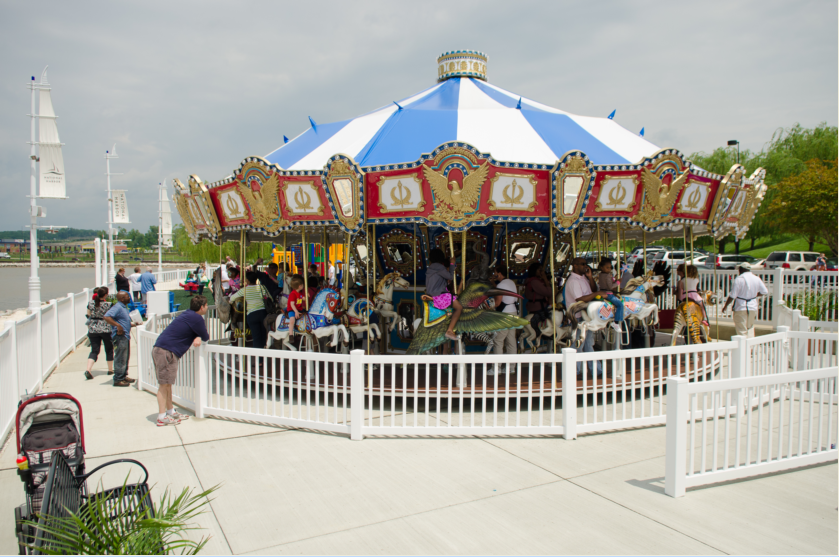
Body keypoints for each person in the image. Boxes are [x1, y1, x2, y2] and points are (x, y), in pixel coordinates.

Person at [152, 295, 210, 426]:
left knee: (167, 384)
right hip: (166, 352)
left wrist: (196, 336)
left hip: (163, 350)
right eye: (206, 305)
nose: (206, 308)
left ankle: (170, 412)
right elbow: (206, 336)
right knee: (163, 385)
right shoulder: (197, 318)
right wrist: (199, 336)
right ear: (201, 307)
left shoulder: (188, 314)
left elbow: (194, 331)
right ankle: (161, 417)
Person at [563, 257, 611, 377]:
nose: (585, 266)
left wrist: (590, 277)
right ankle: (574, 371)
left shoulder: (583, 278)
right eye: (582, 264)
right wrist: (597, 294)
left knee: (589, 343)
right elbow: (580, 298)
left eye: (586, 264)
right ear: (574, 265)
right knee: (578, 345)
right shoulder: (573, 281)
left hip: (586, 315)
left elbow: (593, 290)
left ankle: (596, 370)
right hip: (578, 316)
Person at [424, 248, 462, 341]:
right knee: (459, 308)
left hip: (431, 295)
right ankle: (449, 331)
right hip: (439, 296)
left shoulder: (431, 267)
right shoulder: (439, 266)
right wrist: (452, 263)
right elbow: (450, 276)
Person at [722, 262, 768, 338]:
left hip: (741, 307)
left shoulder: (739, 279)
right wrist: (754, 295)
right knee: (750, 328)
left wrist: (726, 305)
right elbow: (765, 291)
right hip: (752, 306)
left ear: (741, 269)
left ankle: (743, 348)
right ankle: (750, 348)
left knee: (741, 329)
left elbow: (733, 295)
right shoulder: (756, 278)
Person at [103, 291, 137, 387]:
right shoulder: (117, 307)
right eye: (127, 296)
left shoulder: (123, 307)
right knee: (120, 358)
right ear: (122, 298)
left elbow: (123, 321)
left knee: (125, 357)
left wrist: (134, 324)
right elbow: (106, 317)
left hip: (125, 336)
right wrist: (118, 326)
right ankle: (118, 379)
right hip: (119, 337)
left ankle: (123, 375)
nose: (129, 298)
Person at [229, 271, 270, 349]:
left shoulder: (244, 290)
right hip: (263, 313)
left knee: (256, 337)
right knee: (264, 336)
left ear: (247, 280)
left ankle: (259, 360)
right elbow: (269, 298)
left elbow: (232, 298)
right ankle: (263, 357)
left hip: (252, 314)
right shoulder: (262, 288)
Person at [83, 286, 114, 380]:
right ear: (105, 295)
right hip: (105, 328)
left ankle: (88, 369)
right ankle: (110, 369)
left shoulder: (91, 303)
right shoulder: (108, 304)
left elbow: (88, 314)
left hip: (93, 328)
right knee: (109, 349)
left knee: (94, 350)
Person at [493, 265, 519, 356]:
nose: (494, 274)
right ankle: (511, 367)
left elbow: (497, 303)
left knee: (498, 340)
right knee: (511, 340)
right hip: (513, 312)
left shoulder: (500, 285)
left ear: (499, 274)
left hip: (505, 314)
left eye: (495, 273)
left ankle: (496, 368)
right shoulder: (511, 282)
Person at [596, 258, 625, 333]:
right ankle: (616, 323)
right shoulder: (607, 275)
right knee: (620, 305)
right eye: (607, 267)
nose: (609, 269)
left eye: (610, 268)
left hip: (601, 292)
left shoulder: (601, 274)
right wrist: (618, 282)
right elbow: (610, 287)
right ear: (602, 267)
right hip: (608, 294)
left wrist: (614, 280)